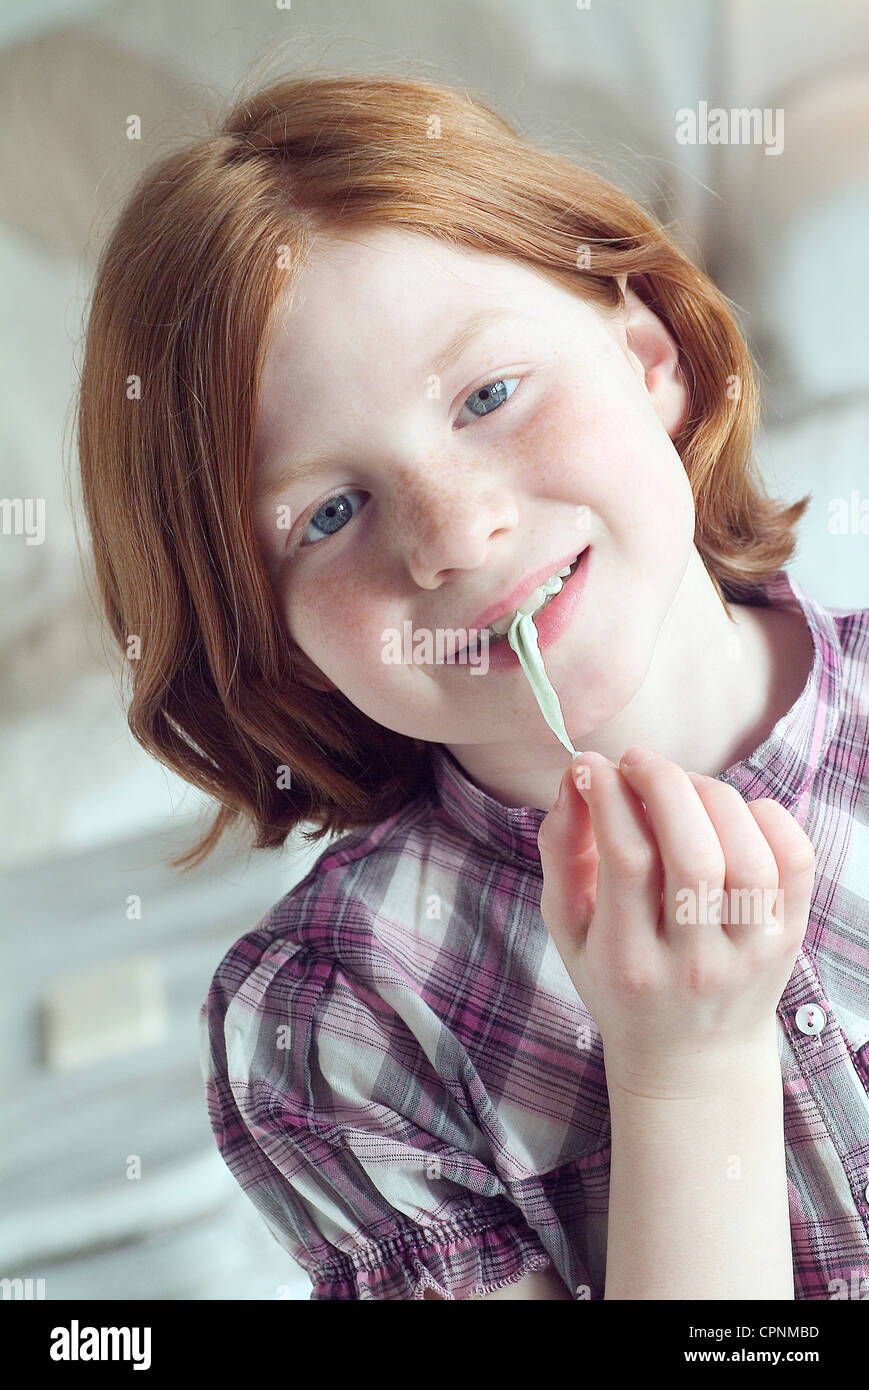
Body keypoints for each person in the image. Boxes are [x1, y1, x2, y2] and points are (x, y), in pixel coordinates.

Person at [76, 71, 869, 1300]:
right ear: (271, 635)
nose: (452, 533)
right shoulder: (335, 1026)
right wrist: (685, 1068)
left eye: (489, 395)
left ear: (647, 356)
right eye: (330, 513)